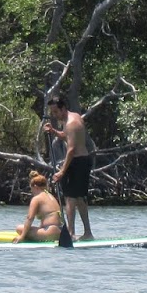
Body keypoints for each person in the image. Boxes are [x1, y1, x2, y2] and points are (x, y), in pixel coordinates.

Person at [45, 96, 95, 241]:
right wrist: (54, 131)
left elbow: (71, 149)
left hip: (77, 161)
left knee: (70, 199)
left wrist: (62, 171)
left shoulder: (71, 123)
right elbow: (67, 137)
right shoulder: (75, 117)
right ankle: (87, 233)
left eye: (55, 112)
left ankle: (71, 234)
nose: (54, 115)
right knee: (79, 198)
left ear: (63, 108)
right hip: (82, 161)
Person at [13, 172, 64, 243]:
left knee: (19, 228)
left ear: (35, 187)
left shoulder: (37, 198)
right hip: (61, 232)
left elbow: (30, 218)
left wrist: (22, 236)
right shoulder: (51, 196)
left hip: (50, 233)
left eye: (31, 189)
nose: (32, 191)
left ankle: (39, 236)